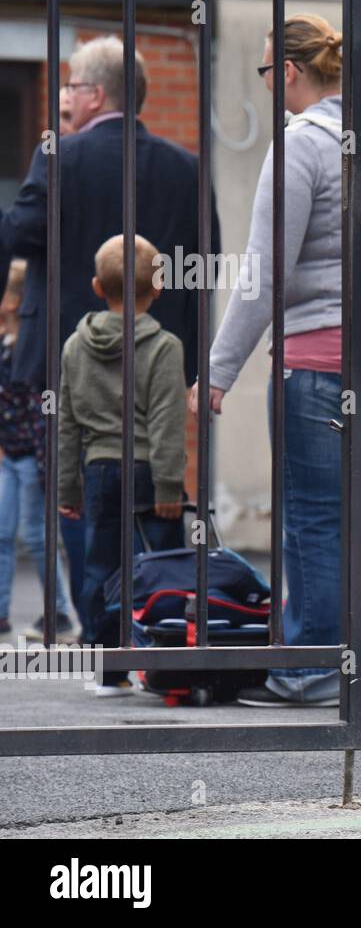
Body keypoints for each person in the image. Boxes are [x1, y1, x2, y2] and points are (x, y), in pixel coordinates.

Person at [194, 14, 361, 708]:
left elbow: (266, 273)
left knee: (315, 513)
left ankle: (314, 665)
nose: (267, 86)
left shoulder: (301, 147)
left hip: (324, 359)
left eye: (265, 73)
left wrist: (219, 370)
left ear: (288, 72)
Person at [0, 35, 218, 639]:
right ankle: (155, 614)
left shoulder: (59, 156)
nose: (64, 96)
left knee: (73, 489)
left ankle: (102, 627)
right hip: (160, 354)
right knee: (157, 482)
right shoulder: (188, 168)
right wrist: (199, 366)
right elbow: (205, 268)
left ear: (94, 94)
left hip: (71, 360)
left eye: (69, 85)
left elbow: (20, 235)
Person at [57, 234, 186, 697]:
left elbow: (67, 423)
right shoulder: (164, 346)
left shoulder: (75, 345)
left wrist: (67, 489)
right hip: (149, 471)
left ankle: (106, 668)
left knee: (100, 567)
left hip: (98, 470)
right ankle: (158, 660)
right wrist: (171, 485)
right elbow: (169, 421)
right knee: (156, 566)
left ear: (96, 286)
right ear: (161, 286)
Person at [0, 262, 77, 641]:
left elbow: (42, 414)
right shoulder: (4, 347)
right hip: (9, 455)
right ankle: (1, 612)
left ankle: (59, 613)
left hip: (31, 458)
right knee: (1, 531)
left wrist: (47, 467)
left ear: (13, 302)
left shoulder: (33, 351)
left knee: (36, 535)